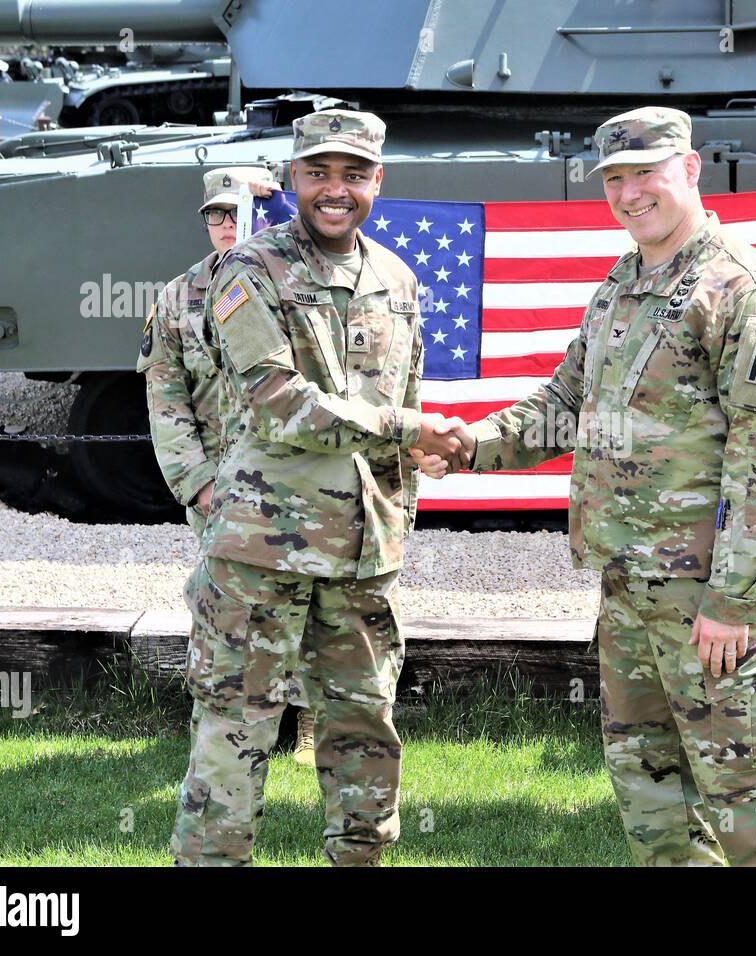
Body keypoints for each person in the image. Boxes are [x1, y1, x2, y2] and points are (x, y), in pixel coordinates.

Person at [415, 107, 756, 866]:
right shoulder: (621, 287)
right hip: (632, 592)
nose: (630, 192)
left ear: (691, 169)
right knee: (653, 802)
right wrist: (472, 445)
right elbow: (567, 404)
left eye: (647, 172)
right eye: (615, 178)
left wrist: (731, 599)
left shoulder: (746, 292)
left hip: (717, 604)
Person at [167, 108, 465, 866]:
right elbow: (277, 401)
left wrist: (408, 489)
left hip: (363, 550)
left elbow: (405, 396)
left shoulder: (396, 278)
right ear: (293, 178)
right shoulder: (250, 270)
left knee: (365, 727)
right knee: (236, 728)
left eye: (354, 174)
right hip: (261, 549)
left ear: (378, 181)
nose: (337, 189)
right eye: (319, 173)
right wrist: (408, 428)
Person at [137, 166, 320, 769]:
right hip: (221, 484)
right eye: (216, 214)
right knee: (222, 603)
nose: (226, 224)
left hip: (295, 475)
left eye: (238, 212)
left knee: (307, 594)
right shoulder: (178, 298)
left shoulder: (300, 286)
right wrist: (198, 484)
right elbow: (166, 400)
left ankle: (309, 716)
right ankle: (225, 720)